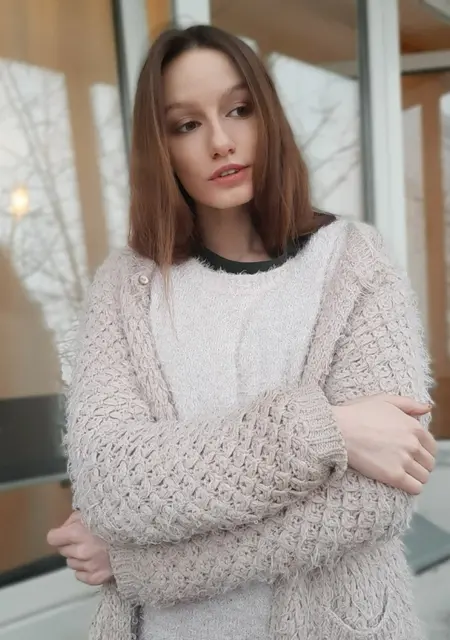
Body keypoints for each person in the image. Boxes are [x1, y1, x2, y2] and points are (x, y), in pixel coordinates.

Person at [47, 24, 437, 640]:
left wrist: (139, 565)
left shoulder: (353, 262)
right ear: (160, 146)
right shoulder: (126, 286)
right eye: (187, 124)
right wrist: (326, 430)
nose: (221, 142)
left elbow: (374, 498)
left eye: (238, 110)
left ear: (268, 116)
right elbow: (113, 486)